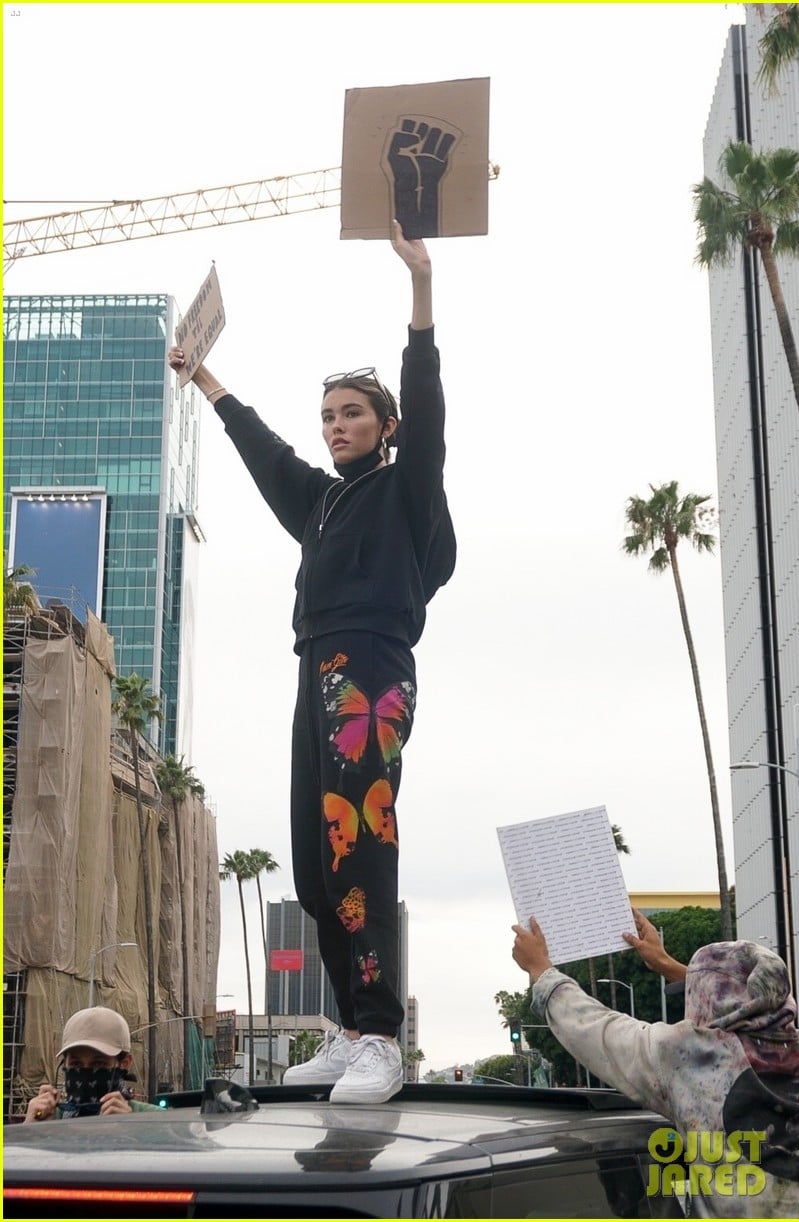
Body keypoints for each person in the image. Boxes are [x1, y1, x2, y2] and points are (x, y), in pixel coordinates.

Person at [169, 222, 455, 1105]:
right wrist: (205, 377)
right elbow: (263, 452)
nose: (336, 428)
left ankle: (381, 1035)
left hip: (370, 664)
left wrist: (420, 291)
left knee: (359, 833)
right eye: (328, 416)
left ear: (386, 427)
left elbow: (428, 403)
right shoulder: (322, 501)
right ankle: (347, 1025)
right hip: (316, 663)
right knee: (313, 850)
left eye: (352, 414)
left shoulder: (404, 488)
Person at [512, 917, 799, 1218]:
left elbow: (598, 1030)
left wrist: (541, 971)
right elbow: (745, 1002)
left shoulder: (691, 1059)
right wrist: (666, 964)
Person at [23, 1006, 160, 1121]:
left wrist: (129, 1130)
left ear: (124, 1063)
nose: (85, 1072)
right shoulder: (49, 1116)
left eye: (99, 1064)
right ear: (65, 1064)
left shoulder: (153, 1119)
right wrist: (32, 1129)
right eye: (76, 1064)